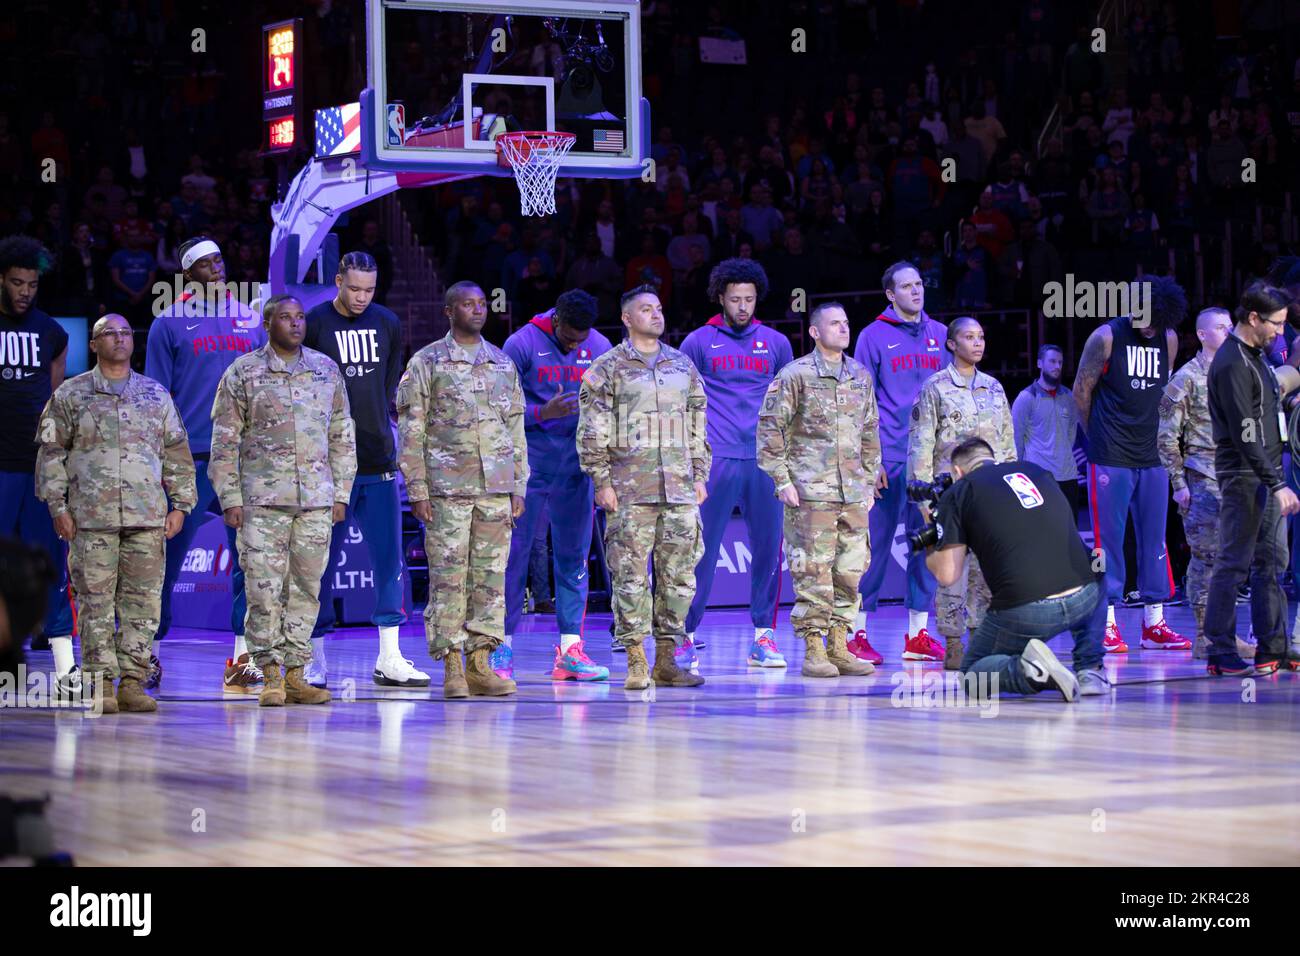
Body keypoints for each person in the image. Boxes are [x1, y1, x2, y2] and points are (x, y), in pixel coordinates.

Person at [35, 314, 196, 714]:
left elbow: (176, 451)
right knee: (95, 604)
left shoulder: (154, 394)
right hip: (91, 519)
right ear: (94, 344)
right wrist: (58, 506)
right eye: (110, 333)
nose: (120, 339)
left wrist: (181, 505)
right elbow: (51, 454)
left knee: (143, 604)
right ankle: (101, 682)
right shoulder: (71, 395)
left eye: (126, 333)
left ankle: (133, 682)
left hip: (146, 518)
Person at [209, 295, 356, 706]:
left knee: (307, 589)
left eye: (300, 317)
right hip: (261, 502)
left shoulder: (326, 370)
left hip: (315, 500)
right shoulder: (244, 372)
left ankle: (296, 673)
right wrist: (230, 497)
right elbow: (224, 442)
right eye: (286, 318)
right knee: (263, 590)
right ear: (268, 323)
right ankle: (269, 673)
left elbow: (342, 436)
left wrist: (340, 492)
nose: (295, 324)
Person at [145, 235, 265, 691]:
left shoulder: (250, 317)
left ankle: (241, 658)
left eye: (219, 258)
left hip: (243, 459)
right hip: (190, 458)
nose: (215, 266)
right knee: (164, 561)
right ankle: (148, 655)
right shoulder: (169, 323)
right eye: (204, 262)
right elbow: (155, 399)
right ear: (188, 273)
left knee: (249, 562)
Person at [397, 282, 527, 698]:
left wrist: (518, 485)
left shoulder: (502, 362)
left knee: (490, 579)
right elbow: (411, 430)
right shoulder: (427, 362)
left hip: (495, 489)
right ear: (449, 311)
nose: (477, 309)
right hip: (446, 489)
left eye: (481, 303)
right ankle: (451, 662)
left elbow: (516, 429)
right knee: (449, 579)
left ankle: (480, 662)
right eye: (467, 304)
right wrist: (416, 487)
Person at [302, 251, 426, 688]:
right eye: (353, 288)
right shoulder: (314, 323)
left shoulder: (388, 322)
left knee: (389, 560)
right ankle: (313, 659)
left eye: (369, 290)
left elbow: (388, 384)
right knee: (318, 564)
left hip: (378, 459)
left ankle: (389, 657)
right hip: (327, 466)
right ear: (337, 280)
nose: (361, 297)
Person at [576, 286, 709, 691]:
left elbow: (698, 421)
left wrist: (700, 474)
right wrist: (601, 480)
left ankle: (667, 661)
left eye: (659, 308)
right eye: (646, 309)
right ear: (627, 318)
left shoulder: (681, 365)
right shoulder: (607, 368)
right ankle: (636, 658)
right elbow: (592, 429)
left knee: (679, 577)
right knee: (631, 578)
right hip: (630, 490)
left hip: (680, 488)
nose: (656, 314)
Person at [926, 437, 1110, 700]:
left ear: (957, 472)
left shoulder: (959, 492)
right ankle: (1090, 668)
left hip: (1026, 611)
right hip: (1085, 597)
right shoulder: (1036, 471)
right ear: (993, 459)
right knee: (1098, 566)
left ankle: (1028, 670)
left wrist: (930, 545)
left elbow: (947, 574)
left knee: (972, 677)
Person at [678, 258, 794, 670]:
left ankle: (764, 638)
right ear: (720, 298)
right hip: (717, 457)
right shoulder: (697, 342)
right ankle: (685, 636)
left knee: (768, 550)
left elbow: (787, 405)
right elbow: (684, 403)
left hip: (764, 460)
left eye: (749, 299)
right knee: (700, 551)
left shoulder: (778, 343)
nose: (743, 307)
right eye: (735, 299)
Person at [757, 302, 879, 678]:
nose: (843, 329)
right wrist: (782, 480)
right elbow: (769, 429)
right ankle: (814, 647)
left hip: (853, 491)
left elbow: (870, 430)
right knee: (813, 570)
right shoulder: (795, 375)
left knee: (851, 570)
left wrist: (870, 480)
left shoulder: (859, 374)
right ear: (814, 331)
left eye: (846, 323)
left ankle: (839, 645)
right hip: (811, 491)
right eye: (834, 323)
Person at [499, 289, 613, 682]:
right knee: (512, 560)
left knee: (573, 559)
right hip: (528, 469)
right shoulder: (522, 343)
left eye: (581, 339)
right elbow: (499, 407)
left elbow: (608, 407)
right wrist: (539, 412)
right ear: (556, 319)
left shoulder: (598, 346)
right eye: (568, 336)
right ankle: (501, 646)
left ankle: (569, 649)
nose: (574, 344)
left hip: (575, 469)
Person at [1072, 276, 1189, 652]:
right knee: (1107, 544)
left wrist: (1166, 431)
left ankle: (1154, 624)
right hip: (1110, 455)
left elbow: (1166, 392)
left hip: (1152, 454)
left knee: (1155, 539)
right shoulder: (1105, 337)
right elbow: (1081, 391)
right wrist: (1098, 438)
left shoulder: (1168, 339)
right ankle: (1103, 622)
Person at [851, 261, 949, 663]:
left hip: (927, 460)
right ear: (890, 294)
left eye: (919, 284)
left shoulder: (941, 335)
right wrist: (868, 459)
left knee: (926, 543)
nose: (916, 291)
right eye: (906, 286)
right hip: (887, 457)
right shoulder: (872, 336)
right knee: (870, 546)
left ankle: (917, 635)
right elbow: (860, 399)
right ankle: (855, 632)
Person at [1203, 283, 1300, 676]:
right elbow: (1246, 436)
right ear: (1254, 319)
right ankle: (1220, 650)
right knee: (1234, 562)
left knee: (1273, 561)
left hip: (1266, 471)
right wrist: (1277, 484)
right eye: (1275, 324)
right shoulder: (1231, 363)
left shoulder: (1256, 357)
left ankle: (1273, 647)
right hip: (1244, 474)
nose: (1280, 332)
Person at [908, 316, 1016, 668]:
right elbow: (921, 445)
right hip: (950, 495)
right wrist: (924, 498)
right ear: (952, 344)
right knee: (952, 571)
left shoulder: (994, 388)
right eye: (969, 337)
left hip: (990, 495)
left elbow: (1007, 445)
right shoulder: (935, 387)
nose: (978, 343)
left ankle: (981, 638)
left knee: (987, 570)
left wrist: (1012, 485)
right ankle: (953, 641)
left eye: (981, 337)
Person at [0, 237, 75, 692]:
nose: (25, 291)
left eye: (31, 283)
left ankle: (66, 663)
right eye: (16, 282)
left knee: (49, 562)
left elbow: (54, 399)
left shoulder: (51, 332)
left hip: (37, 468)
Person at [1156, 308, 1235, 660]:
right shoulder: (1186, 378)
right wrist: (1178, 484)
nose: (1228, 332)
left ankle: (1226, 635)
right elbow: (1166, 437)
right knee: (1206, 557)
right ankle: (1204, 636)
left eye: (1231, 326)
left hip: (1236, 477)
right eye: (1220, 327)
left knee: (1233, 559)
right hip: (1202, 478)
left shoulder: (1238, 371)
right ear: (1202, 334)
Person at [1011, 345, 1082, 515]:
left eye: (1060, 362)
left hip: (1067, 475)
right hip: (1038, 477)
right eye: (1052, 361)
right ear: (1039, 364)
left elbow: (1072, 432)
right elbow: (1016, 439)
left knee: (1069, 530)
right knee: (1041, 533)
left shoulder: (1068, 396)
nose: (1057, 366)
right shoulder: (1026, 398)